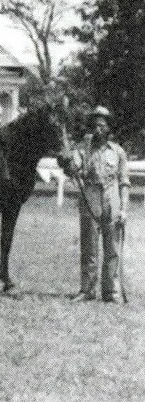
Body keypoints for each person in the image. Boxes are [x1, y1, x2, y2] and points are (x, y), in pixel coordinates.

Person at [69, 106, 130, 303]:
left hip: (112, 198)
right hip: (90, 197)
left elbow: (124, 182)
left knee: (112, 248)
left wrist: (124, 209)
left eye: (102, 126)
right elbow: (75, 167)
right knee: (89, 247)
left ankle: (110, 292)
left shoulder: (118, 152)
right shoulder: (83, 148)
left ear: (109, 128)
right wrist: (71, 163)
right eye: (95, 125)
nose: (98, 129)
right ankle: (87, 290)